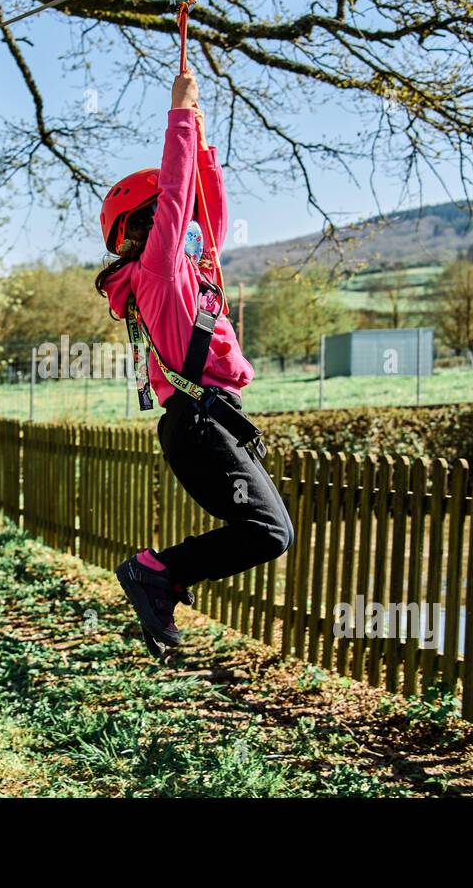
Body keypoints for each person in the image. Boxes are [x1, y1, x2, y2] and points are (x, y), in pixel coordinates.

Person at [95, 68, 294, 658]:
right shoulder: (157, 271)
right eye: (172, 218)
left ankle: (162, 574)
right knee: (269, 533)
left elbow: (209, 212)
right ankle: (155, 572)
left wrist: (203, 142)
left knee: (267, 532)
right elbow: (182, 196)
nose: (190, 229)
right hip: (197, 423)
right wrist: (179, 115)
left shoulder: (190, 273)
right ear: (150, 224)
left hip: (208, 420)